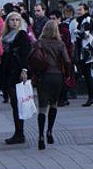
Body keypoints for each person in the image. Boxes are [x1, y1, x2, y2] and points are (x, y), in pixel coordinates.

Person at [29, 20, 70, 150]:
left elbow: (32, 59)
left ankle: (40, 136)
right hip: (57, 76)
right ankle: (50, 132)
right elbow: (67, 61)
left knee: (42, 107)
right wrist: (67, 75)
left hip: (43, 77)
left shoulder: (38, 43)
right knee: (54, 104)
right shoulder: (60, 44)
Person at [0, 12, 32, 145]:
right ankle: (18, 132)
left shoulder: (21, 34)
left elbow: (25, 53)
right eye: (12, 20)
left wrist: (25, 70)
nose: (14, 22)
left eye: (17, 20)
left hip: (17, 72)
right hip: (8, 70)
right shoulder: (6, 36)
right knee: (14, 103)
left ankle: (20, 133)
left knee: (18, 103)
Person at [47, 10, 74, 106]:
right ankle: (60, 98)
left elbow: (67, 45)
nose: (52, 21)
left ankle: (63, 98)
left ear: (59, 19)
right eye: (50, 19)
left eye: (54, 19)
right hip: (53, 59)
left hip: (62, 58)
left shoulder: (64, 30)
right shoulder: (49, 31)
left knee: (64, 78)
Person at [73, 3, 93, 106]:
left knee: (87, 74)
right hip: (84, 50)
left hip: (87, 50)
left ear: (86, 10)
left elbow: (85, 34)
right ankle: (91, 97)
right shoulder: (82, 20)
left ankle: (92, 97)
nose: (78, 12)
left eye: (80, 10)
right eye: (77, 10)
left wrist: (75, 31)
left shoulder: (87, 19)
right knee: (86, 74)